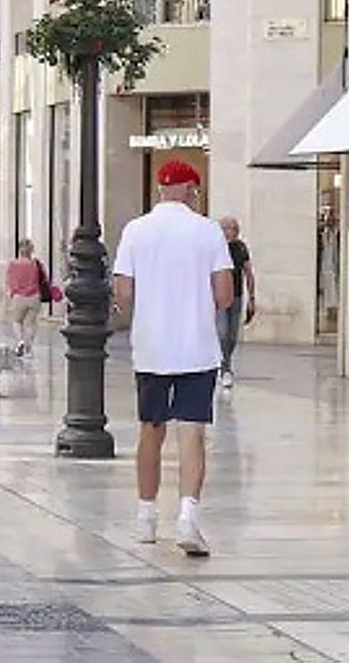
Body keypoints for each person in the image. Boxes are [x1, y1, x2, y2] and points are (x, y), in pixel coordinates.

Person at [113, 159, 232, 558]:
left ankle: (146, 518)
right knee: (192, 432)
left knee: (151, 428)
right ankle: (187, 518)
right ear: (190, 189)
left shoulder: (135, 230)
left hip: (151, 347)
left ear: (161, 189)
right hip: (196, 347)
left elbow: (123, 292)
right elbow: (225, 296)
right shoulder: (208, 230)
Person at [217, 217, 256, 389]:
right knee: (223, 332)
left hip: (237, 296)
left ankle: (224, 362)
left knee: (232, 336)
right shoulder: (216, 247)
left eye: (233, 228)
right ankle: (225, 369)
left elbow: (248, 272)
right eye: (226, 228)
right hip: (219, 296)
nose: (230, 231)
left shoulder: (240, 247)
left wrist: (252, 298)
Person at [4, 240, 49, 358]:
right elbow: (44, 278)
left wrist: (11, 295)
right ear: (31, 250)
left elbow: (10, 282)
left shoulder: (13, 264)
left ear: (19, 250)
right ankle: (28, 349)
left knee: (16, 321)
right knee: (31, 324)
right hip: (34, 297)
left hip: (19, 297)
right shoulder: (36, 264)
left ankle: (20, 342)